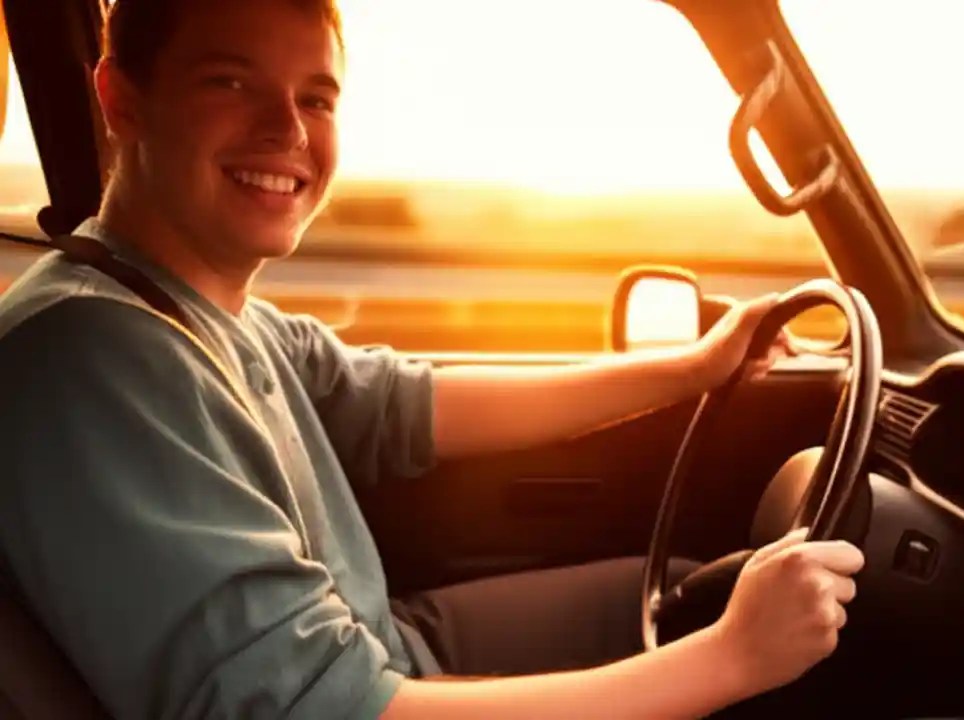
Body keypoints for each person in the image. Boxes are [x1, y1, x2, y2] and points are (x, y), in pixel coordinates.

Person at [0, 1, 865, 718]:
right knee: (721, 643)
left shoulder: (203, 313)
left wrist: (687, 370)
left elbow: (407, 402)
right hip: (370, 691)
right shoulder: (93, 356)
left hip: (386, 651)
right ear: (121, 99)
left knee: (681, 591)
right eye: (230, 82)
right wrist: (731, 661)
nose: (286, 129)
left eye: (317, 98)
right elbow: (314, 710)